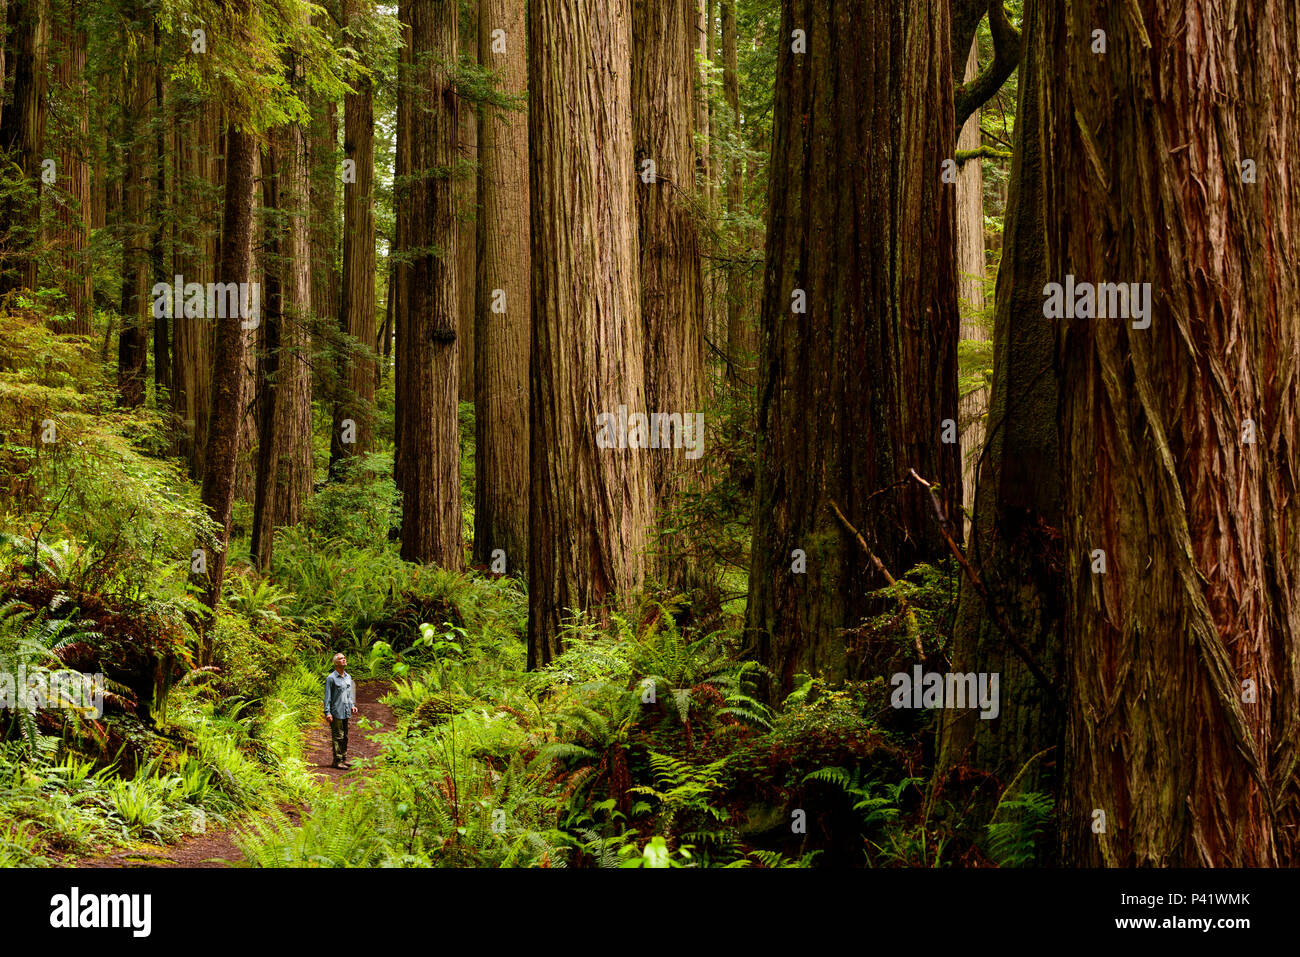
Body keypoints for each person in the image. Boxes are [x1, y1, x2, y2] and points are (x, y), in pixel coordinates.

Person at [323, 653, 358, 769]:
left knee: (345, 737)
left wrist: (352, 705)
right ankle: (337, 760)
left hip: (346, 711)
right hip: (336, 711)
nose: (344, 660)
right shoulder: (331, 678)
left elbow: (349, 694)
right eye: (341, 659)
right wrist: (327, 712)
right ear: (336, 663)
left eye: (344, 658)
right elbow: (327, 697)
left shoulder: (348, 677)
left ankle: (343, 758)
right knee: (338, 736)